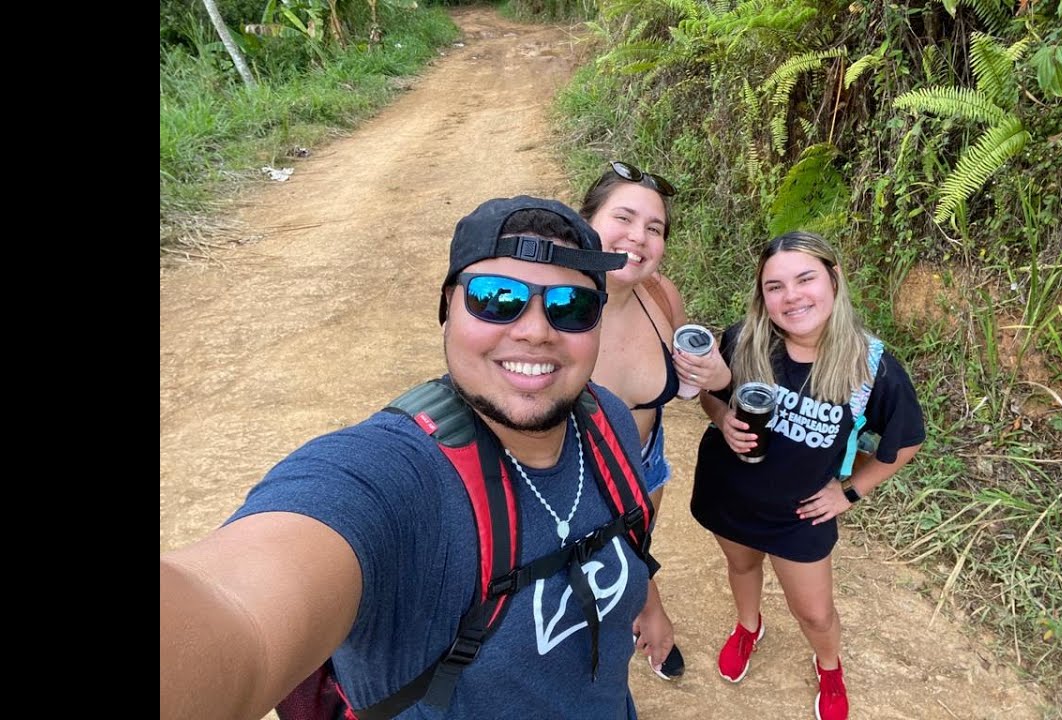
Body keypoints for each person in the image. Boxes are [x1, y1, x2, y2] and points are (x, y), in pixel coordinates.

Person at [160, 196, 667, 720]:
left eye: (570, 306)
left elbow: (624, 542)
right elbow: (237, 614)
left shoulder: (607, 420)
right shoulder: (389, 478)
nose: (536, 331)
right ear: (447, 306)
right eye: (497, 298)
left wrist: (648, 606)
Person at [687, 231, 926, 720]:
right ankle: (748, 626)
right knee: (742, 566)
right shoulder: (744, 339)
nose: (791, 296)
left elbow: (905, 443)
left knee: (815, 612)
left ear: (834, 279)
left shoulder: (869, 366)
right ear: (763, 297)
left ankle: (830, 666)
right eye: (774, 286)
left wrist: (849, 492)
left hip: (800, 516)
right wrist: (719, 417)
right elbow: (711, 394)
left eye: (805, 279)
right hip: (728, 493)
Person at [578, 161, 730, 681]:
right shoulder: (553, 308)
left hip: (646, 463)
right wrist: (652, 600)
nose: (638, 237)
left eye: (655, 228)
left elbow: (692, 379)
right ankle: (639, 618)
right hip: (574, 478)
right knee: (582, 582)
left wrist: (714, 375)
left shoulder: (662, 296)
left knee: (636, 546)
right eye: (623, 217)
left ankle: (635, 600)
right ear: (586, 221)